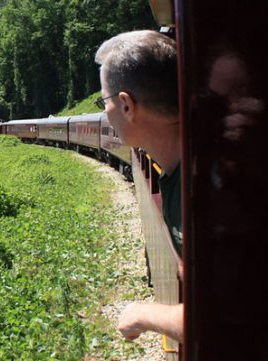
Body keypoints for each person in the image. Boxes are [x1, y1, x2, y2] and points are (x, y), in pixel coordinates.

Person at [93, 30, 184, 343]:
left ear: (126, 105)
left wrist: (141, 314)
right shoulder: (178, 174)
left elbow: (219, 317)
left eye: (103, 101)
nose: (104, 113)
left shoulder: (206, 188)